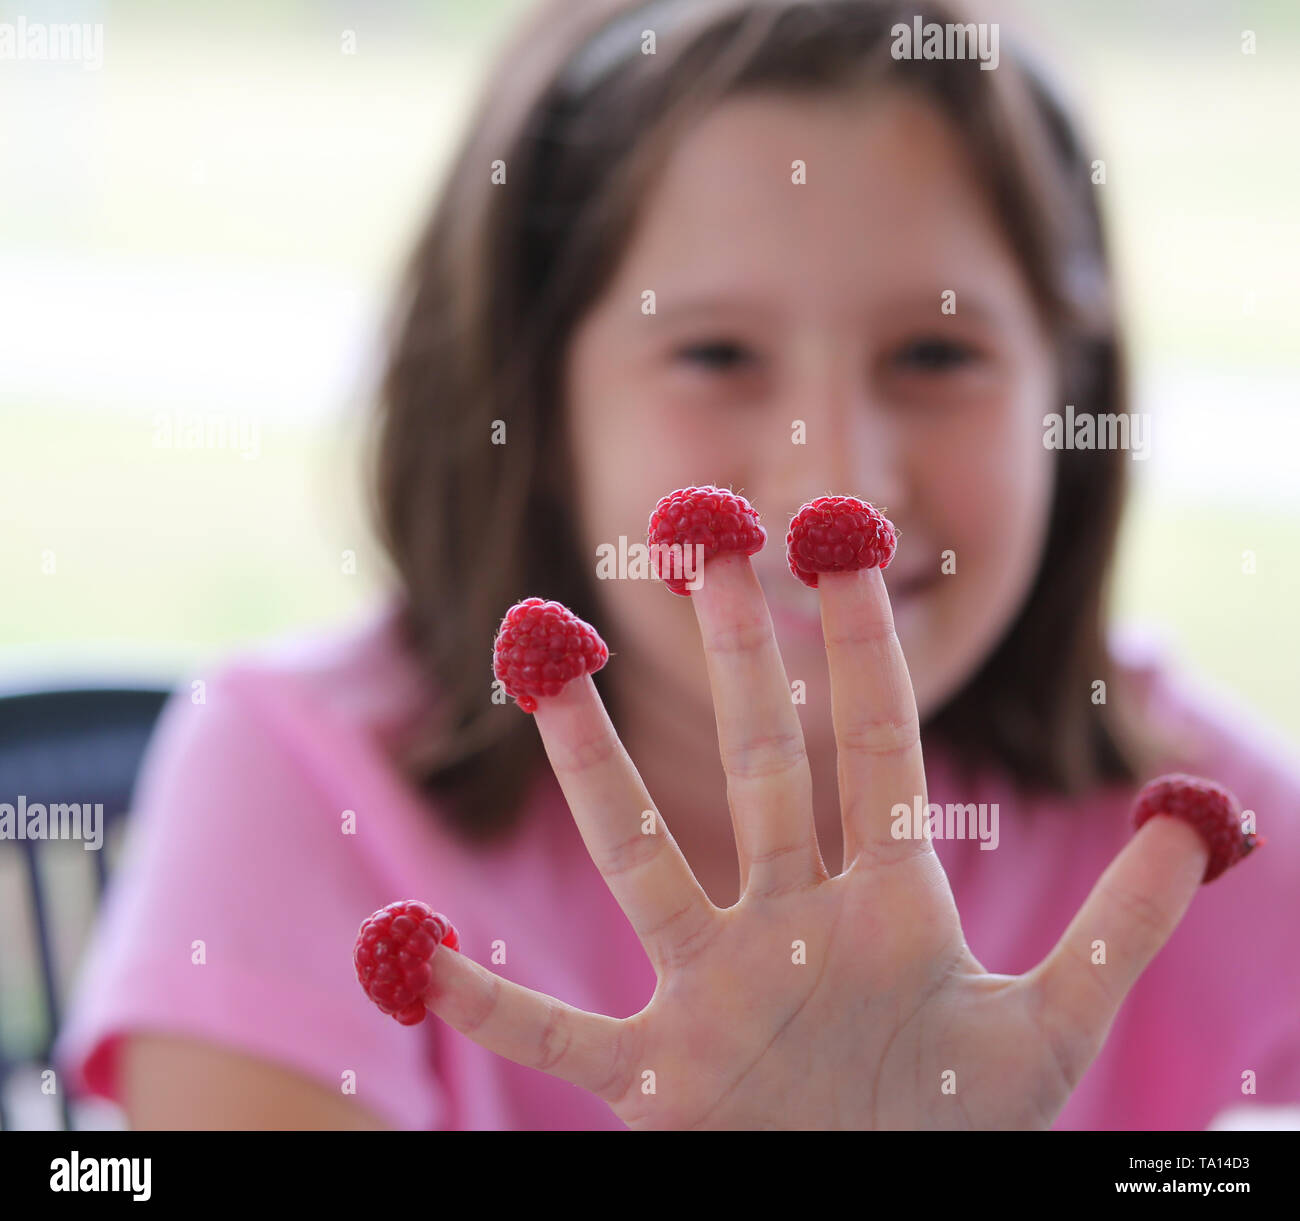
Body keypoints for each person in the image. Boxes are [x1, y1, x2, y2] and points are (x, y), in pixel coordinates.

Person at [55, 0, 1300, 1130]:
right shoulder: (297, 783)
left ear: (1067, 405)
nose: (834, 485)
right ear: (534, 411)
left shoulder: (1187, 834)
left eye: (935, 355)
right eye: (713, 355)